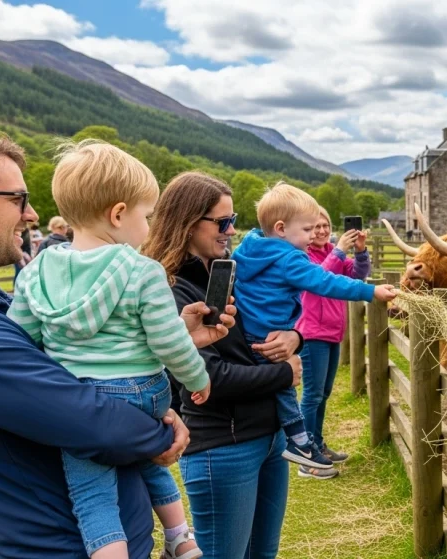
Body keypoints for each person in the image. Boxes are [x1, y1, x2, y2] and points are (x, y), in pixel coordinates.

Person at [0, 136, 233, 559]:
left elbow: (70, 371)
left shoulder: (19, 294)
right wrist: (163, 423)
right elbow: (100, 426)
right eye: (17, 198)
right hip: (57, 549)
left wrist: (174, 340)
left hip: (115, 539)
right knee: (95, 489)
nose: (33, 213)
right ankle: (180, 535)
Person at [140, 171, 306, 558]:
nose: (231, 231)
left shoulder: (230, 276)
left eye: (233, 221)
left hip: (268, 438)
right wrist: (285, 372)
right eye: (222, 222)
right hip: (223, 447)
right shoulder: (170, 288)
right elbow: (208, 376)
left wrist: (295, 338)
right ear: (187, 221)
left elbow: (271, 327)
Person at [229, 181, 397, 469]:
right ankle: (299, 442)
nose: (314, 235)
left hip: (248, 329)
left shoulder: (251, 246)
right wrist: (371, 292)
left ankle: (301, 441)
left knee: (283, 387)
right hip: (270, 336)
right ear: (281, 229)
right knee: (286, 386)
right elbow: (325, 281)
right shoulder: (289, 258)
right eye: (307, 229)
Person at [293, 211, 369, 478]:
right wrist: (338, 250)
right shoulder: (303, 256)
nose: (321, 231)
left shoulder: (332, 252)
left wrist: (360, 252)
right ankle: (306, 458)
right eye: (315, 227)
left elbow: (358, 274)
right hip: (312, 334)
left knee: (323, 394)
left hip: (333, 333)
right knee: (312, 395)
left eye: (325, 225)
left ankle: (318, 445)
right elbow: (317, 279)